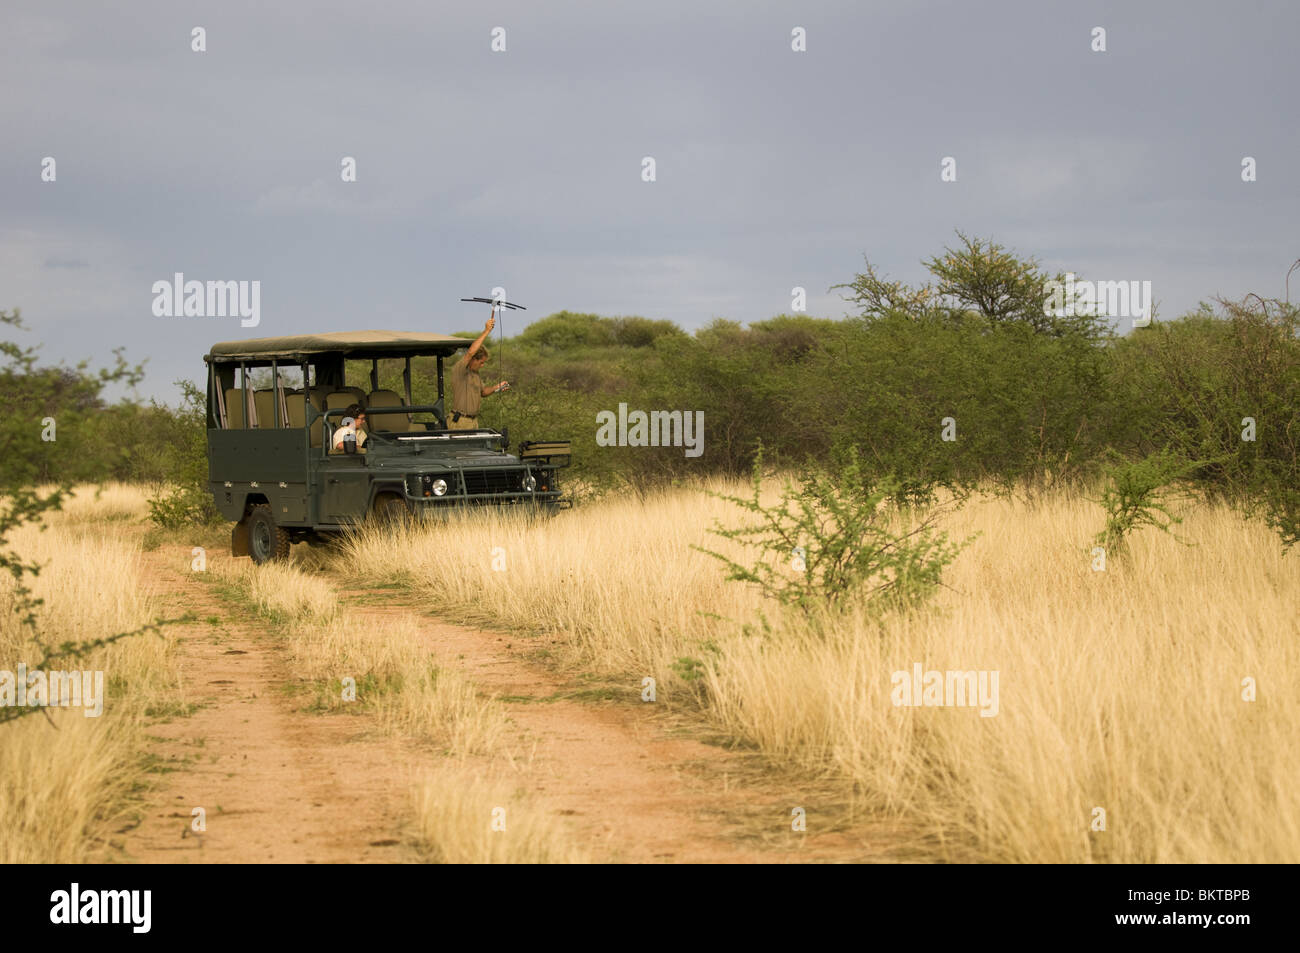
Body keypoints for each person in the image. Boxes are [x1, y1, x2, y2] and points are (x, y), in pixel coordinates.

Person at [448, 314, 510, 430]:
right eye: (481, 362)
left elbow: (483, 392)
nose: (483, 365)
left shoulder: (475, 374)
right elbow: (470, 352)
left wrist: (497, 387)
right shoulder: (460, 369)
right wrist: (486, 331)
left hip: (473, 421)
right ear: (473, 360)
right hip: (460, 422)